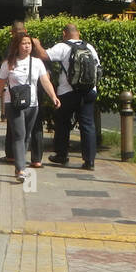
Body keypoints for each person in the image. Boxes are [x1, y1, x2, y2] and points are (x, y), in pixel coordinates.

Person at [0, 32, 59, 182]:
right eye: (23, 43)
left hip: (32, 104)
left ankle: (19, 165)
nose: (27, 46)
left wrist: (53, 96)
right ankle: (21, 169)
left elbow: (45, 81)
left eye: (29, 44)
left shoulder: (37, 63)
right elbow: (0, 83)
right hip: (12, 104)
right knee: (19, 135)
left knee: (27, 135)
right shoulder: (8, 64)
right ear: (17, 46)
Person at [46, 24, 100, 169]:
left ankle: (61, 155)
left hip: (67, 92)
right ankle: (89, 161)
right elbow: (98, 68)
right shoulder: (90, 47)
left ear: (64, 34)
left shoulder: (62, 47)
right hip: (89, 91)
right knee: (88, 125)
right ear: (79, 33)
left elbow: (45, 55)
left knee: (62, 123)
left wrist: (36, 44)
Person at [0, 20, 49, 164]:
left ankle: (12, 157)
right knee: (36, 126)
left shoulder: (14, 45)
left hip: (17, 93)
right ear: (26, 30)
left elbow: (5, 68)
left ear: (11, 32)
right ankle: (36, 159)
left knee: (15, 129)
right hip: (35, 89)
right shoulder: (33, 43)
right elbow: (45, 60)